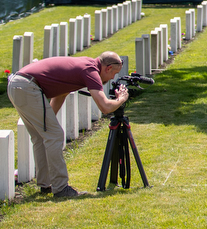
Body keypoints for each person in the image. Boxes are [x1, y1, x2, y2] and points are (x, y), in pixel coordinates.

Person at [7, 51, 129, 198]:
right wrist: (122, 98)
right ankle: (60, 188)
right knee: (54, 135)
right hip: (28, 87)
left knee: (42, 137)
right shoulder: (91, 71)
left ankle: (45, 185)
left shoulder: (85, 65)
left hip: (18, 84)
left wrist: (49, 121)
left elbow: (60, 94)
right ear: (108, 68)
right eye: (114, 73)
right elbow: (105, 107)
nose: (112, 78)